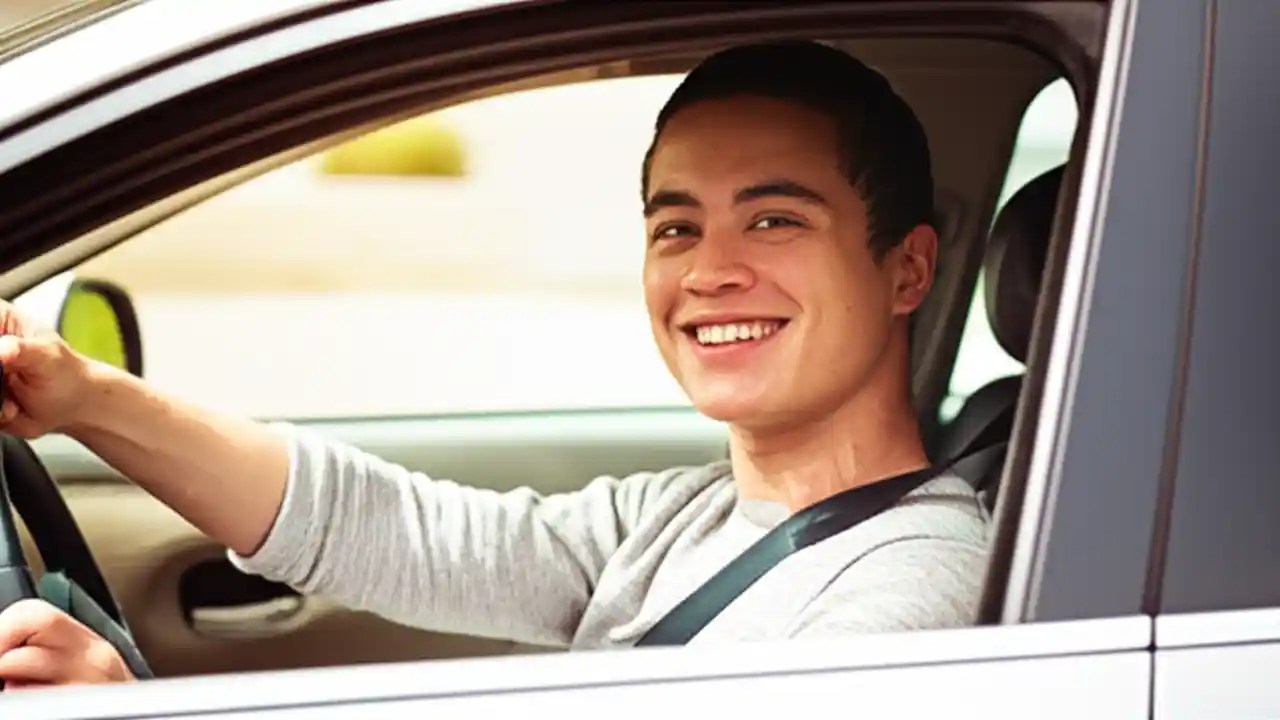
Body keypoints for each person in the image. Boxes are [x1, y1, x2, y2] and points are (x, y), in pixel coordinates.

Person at [0, 40, 989, 688]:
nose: (710, 272)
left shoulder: (915, 591)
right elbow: (391, 530)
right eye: (676, 226)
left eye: (774, 219)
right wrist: (82, 395)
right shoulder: (685, 518)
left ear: (905, 269)